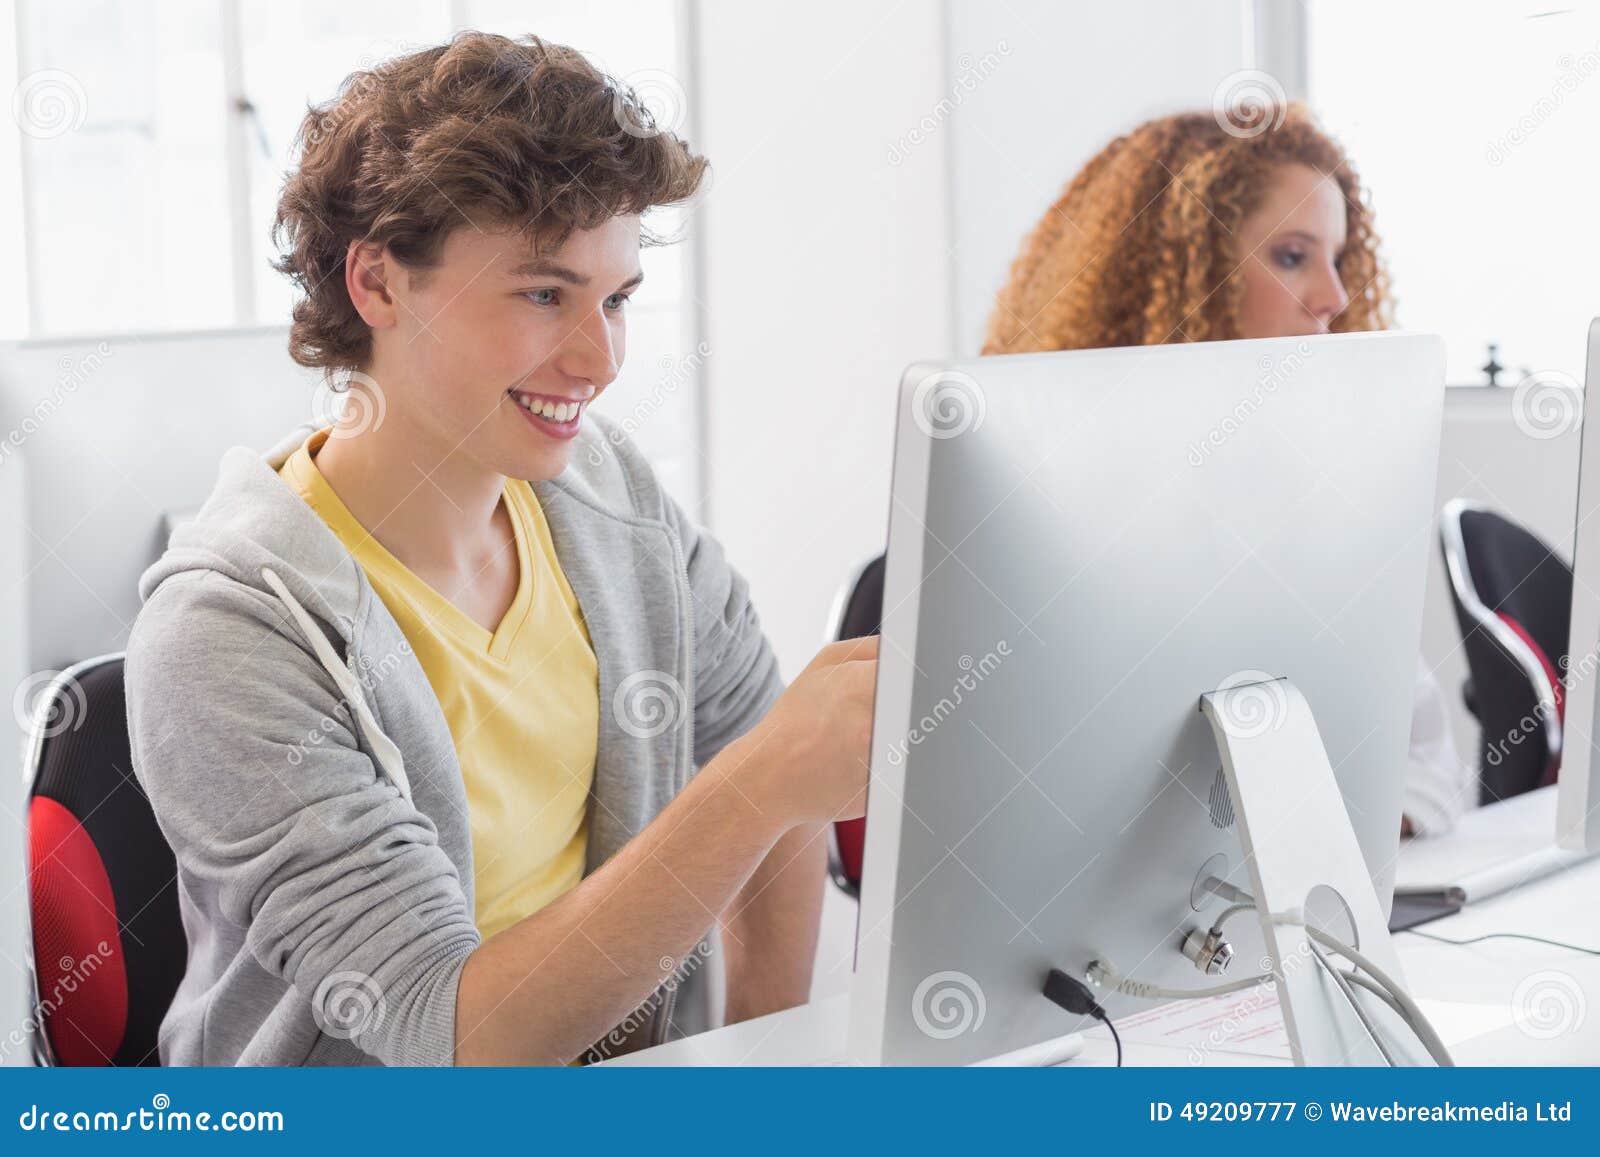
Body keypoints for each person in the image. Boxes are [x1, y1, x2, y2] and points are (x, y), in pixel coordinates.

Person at [124, 32, 876, 1067]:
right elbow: (444, 1037)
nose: (600, 359)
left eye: (616, 300)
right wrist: (753, 786)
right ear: (378, 284)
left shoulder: (611, 496)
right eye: (543, 294)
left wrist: (759, 1079)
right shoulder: (225, 629)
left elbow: (776, 775)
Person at [984, 103, 1473, 836]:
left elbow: (1424, 769)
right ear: (1184, 273)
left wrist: (1335, 837)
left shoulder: (1319, 500)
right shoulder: (1044, 507)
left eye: (1337, 259)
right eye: (1292, 256)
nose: (1334, 297)